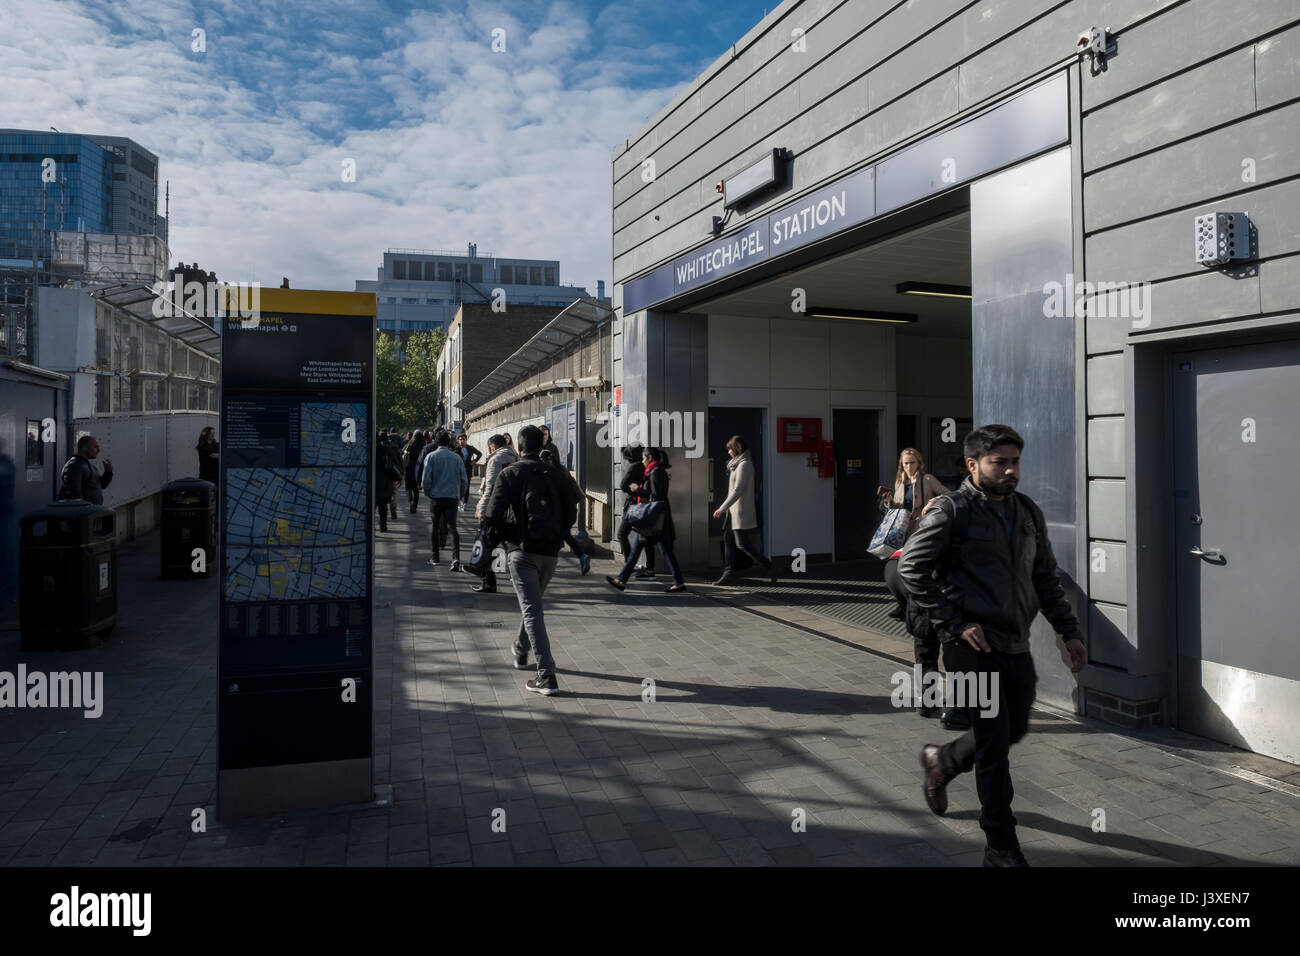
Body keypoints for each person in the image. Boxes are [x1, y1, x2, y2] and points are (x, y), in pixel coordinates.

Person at [899, 424, 1087, 868]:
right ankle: (1001, 845)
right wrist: (954, 622)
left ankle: (942, 760)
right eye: (999, 462)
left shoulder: (1026, 511)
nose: (1010, 470)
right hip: (968, 646)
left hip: (1014, 642)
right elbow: (911, 570)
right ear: (972, 464)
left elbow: (1044, 576)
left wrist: (1069, 630)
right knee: (993, 746)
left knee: (1013, 729)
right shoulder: (951, 510)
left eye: (1014, 462)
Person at [484, 425, 580, 696]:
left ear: (519, 446)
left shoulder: (509, 473)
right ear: (542, 445)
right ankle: (520, 647)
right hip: (550, 552)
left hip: (521, 551)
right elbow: (570, 514)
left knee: (531, 609)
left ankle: (546, 675)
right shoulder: (556, 474)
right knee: (533, 606)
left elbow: (493, 514)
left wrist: (500, 540)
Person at [606, 447, 685, 593]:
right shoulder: (655, 471)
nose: (642, 461)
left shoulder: (655, 473)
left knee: (659, 549)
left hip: (655, 520)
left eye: (643, 458)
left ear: (649, 458)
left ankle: (622, 580)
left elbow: (657, 496)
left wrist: (638, 490)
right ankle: (622, 580)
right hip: (656, 520)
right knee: (659, 550)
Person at [711, 435, 775, 586]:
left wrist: (722, 507)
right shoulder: (736, 464)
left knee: (742, 544)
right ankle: (728, 572)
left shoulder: (745, 465)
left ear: (737, 449)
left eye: (730, 449)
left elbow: (738, 490)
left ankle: (770, 566)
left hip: (739, 511)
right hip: (731, 512)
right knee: (728, 541)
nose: (728, 452)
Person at [472, 435, 518, 593]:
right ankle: (516, 575)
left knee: (487, 544)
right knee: (508, 545)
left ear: (492, 446)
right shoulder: (516, 458)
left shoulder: (495, 459)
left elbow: (490, 488)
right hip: (511, 509)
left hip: (494, 508)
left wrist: (482, 509)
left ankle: (488, 581)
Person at [539, 447, 591, 575]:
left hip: (557, 512)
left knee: (556, 537)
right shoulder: (562, 470)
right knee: (564, 535)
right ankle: (582, 557)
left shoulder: (547, 473)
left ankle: (548, 565)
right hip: (569, 509)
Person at [422, 430, 467, 570]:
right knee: (452, 527)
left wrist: (428, 492)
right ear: (449, 442)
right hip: (452, 496)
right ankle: (456, 559)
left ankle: (435, 558)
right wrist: (460, 494)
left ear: (436, 441)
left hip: (436, 497)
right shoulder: (457, 458)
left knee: (435, 526)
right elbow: (464, 479)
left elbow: (426, 480)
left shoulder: (431, 457)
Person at [877, 448, 949, 529]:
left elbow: (948, 494)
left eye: (912, 463)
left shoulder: (927, 479)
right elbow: (898, 508)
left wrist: (932, 502)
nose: (909, 466)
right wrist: (889, 501)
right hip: (902, 529)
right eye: (906, 463)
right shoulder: (899, 482)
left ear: (918, 463)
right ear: (902, 465)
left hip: (922, 527)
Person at [617, 444, 656, 579]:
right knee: (645, 537)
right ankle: (649, 568)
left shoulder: (634, 466)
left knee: (622, 534)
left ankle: (630, 564)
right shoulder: (646, 467)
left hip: (634, 507)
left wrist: (634, 493)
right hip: (644, 505)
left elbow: (623, 485)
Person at [59, 435, 114, 504]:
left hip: (93, 512)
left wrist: (108, 472)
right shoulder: (74, 466)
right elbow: (74, 497)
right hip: (84, 513)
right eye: (95, 447)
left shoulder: (89, 466)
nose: (99, 450)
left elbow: (100, 485)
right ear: (84, 448)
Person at [374, 432, 402, 532]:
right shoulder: (386, 450)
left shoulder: (365, 450)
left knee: (371, 506)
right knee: (383, 505)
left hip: (370, 483)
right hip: (385, 482)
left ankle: (370, 527)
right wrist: (398, 477)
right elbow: (395, 464)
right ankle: (383, 525)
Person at [403, 431, 428, 513]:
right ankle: (415, 503)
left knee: (409, 487)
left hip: (409, 469)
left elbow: (402, 452)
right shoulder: (423, 446)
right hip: (419, 469)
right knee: (416, 489)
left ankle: (410, 501)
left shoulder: (410, 444)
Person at [455, 433, 482, 508]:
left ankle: (465, 502)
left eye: (463, 439)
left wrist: (475, 461)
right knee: (459, 485)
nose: (462, 441)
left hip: (468, 469)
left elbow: (479, 454)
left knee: (467, 486)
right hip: (458, 470)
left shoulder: (470, 448)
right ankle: (459, 500)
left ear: (466, 440)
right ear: (458, 440)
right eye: (460, 439)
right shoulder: (456, 449)